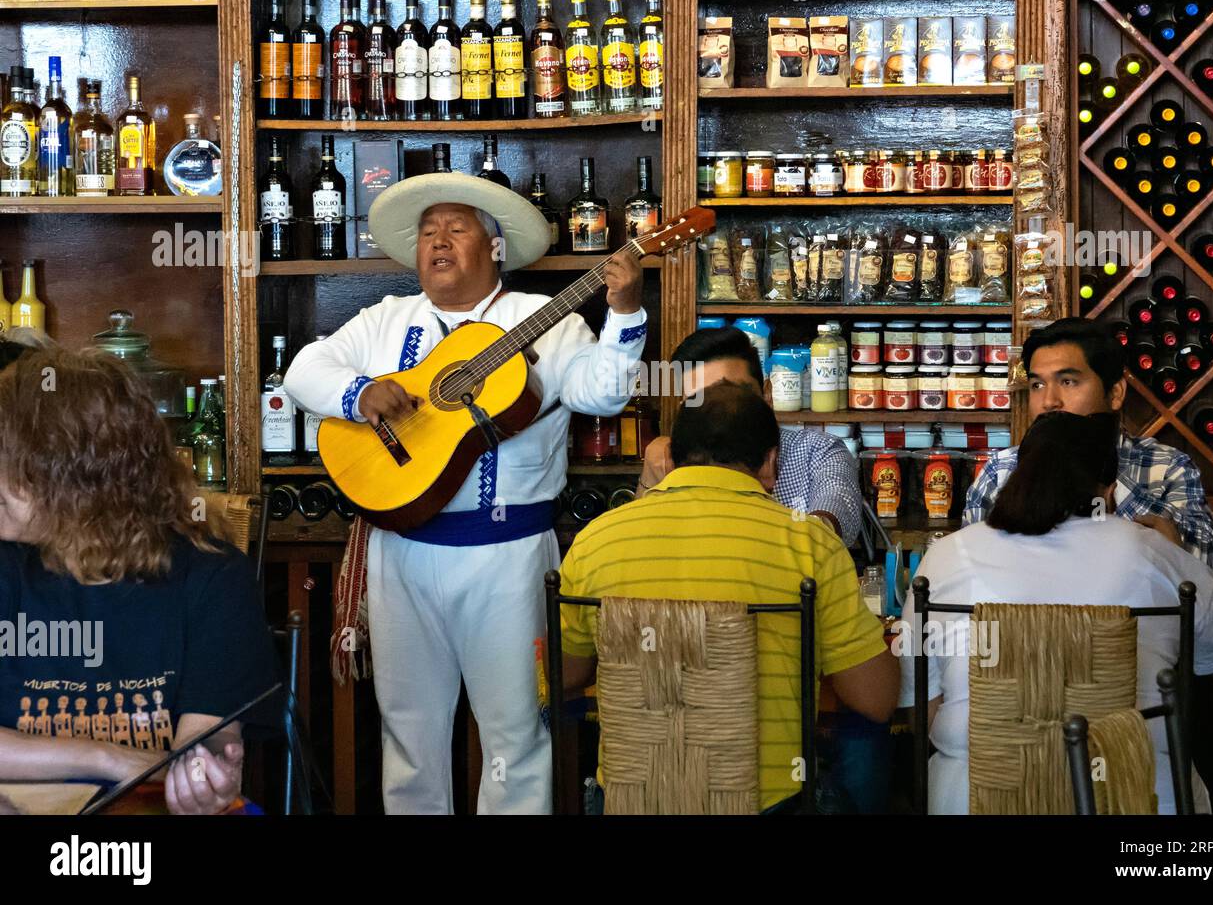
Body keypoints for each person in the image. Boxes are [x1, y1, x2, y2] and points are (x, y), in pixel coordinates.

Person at [283, 172, 648, 814]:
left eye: (456, 228)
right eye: (428, 232)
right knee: (408, 736)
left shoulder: (540, 320)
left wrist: (624, 314)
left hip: (509, 557)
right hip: (401, 553)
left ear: (495, 245)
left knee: (517, 736)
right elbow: (303, 370)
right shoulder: (384, 319)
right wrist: (360, 394)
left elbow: (603, 393)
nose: (438, 242)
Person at [902, 411, 1213, 814]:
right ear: (1108, 489)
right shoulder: (1151, 552)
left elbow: (922, 710)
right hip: (1136, 796)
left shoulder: (946, 556)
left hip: (973, 799)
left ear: (1020, 476)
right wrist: (1179, 557)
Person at [559, 382, 899, 813]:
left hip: (630, 801)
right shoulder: (807, 543)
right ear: (770, 463)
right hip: (771, 804)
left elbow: (565, 673)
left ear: (673, 459)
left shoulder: (596, 540)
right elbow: (876, 700)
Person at [0, 347, 279, 815]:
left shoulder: (210, 576)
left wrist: (201, 782)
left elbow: (205, 746)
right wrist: (112, 759)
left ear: (74, 477)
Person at [963, 317, 1213, 567]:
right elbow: (973, 569)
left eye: (1068, 381)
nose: (1049, 401)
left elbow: (1201, 563)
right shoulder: (1000, 471)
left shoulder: (1169, 468)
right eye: (1037, 384)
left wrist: (1099, 479)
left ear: (1115, 394)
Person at [637, 327, 862, 545]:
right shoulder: (670, 461)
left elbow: (833, 520)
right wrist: (650, 483)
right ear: (683, 409)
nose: (720, 414)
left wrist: (814, 532)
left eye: (736, 397)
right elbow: (638, 546)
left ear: (767, 395)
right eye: (701, 402)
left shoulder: (817, 452)